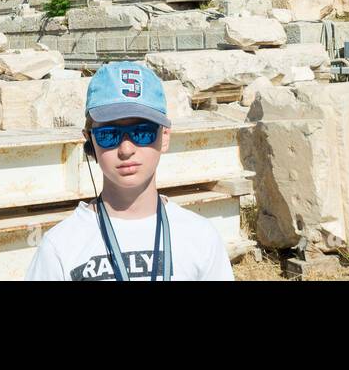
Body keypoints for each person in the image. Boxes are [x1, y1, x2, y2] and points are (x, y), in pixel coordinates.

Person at [25, 61, 234, 281]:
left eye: (142, 132)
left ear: (164, 138)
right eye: (109, 134)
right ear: (90, 143)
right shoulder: (60, 246)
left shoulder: (201, 237)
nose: (126, 149)